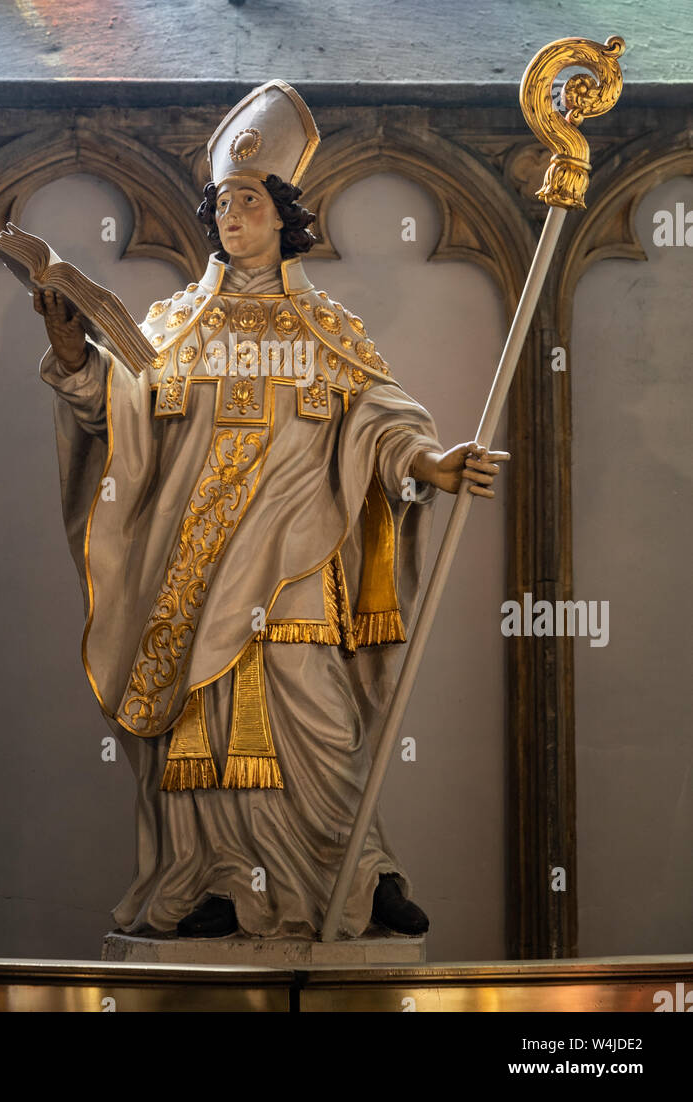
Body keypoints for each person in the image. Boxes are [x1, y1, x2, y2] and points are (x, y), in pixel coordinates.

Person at [35, 80, 508, 940]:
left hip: (296, 562)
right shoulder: (174, 324)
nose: (230, 216)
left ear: (283, 213)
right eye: (220, 202)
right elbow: (120, 421)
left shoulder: (327, 328)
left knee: (320, 720)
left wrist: (432, 464)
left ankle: (359, 876)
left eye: (247, 201)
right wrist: (75, 356)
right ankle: (209, 882)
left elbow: (379, 417)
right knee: (205, 726)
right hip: (198, 561)